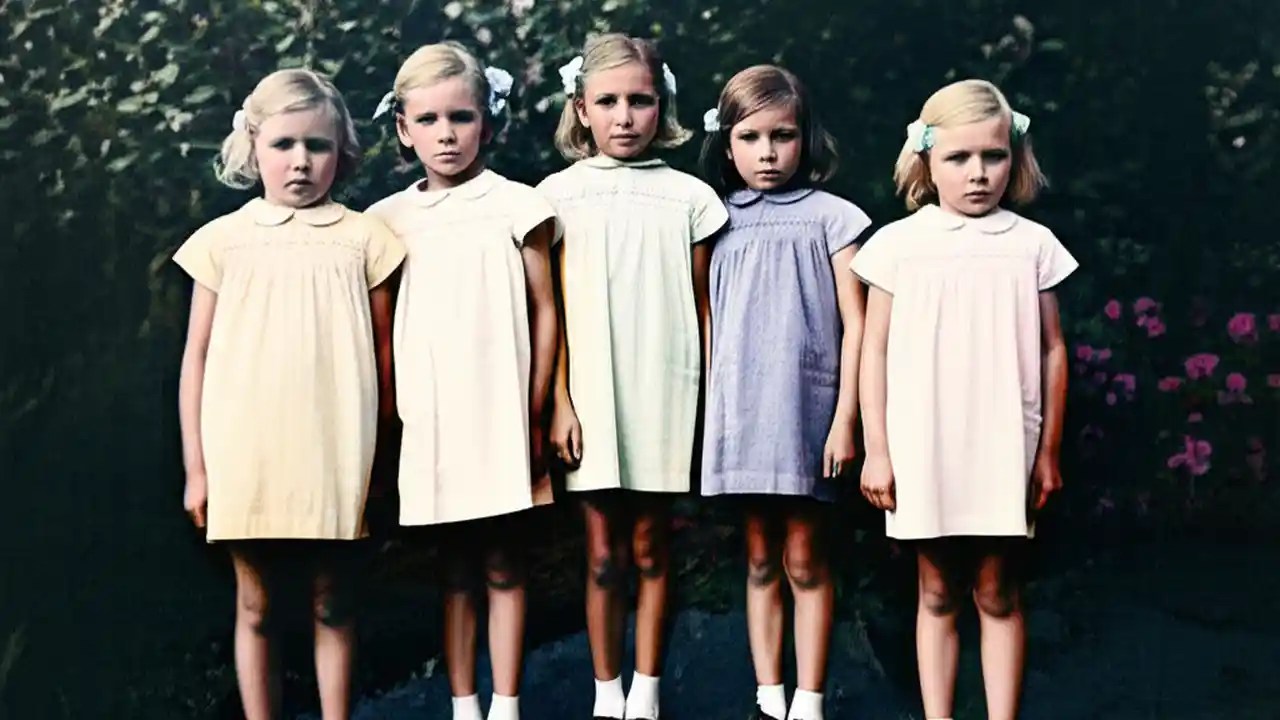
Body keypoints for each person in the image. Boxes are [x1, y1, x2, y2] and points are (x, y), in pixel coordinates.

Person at [175, 68, 404, 720]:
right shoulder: (223, 242)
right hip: (247, 451)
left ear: (341, 151)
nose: (300, 161)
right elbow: (196, 359)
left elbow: (385, 360)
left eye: (317, 145)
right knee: (256, 604)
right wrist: (197, 469)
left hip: (335, 447)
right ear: (253, 145)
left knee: (333, 601)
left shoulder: (365, 241)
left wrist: (381, 457)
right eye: (283, 144)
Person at [852, 79, 1077, 720]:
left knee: (998, 591)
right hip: (926, 445)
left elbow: (1053, 350)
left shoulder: (1031, 244)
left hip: (1005, 443)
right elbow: (874, 351)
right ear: (926, 159)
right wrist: (878, 450)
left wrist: (1048, 452)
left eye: (993, 156)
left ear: (1014, 157)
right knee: (936, 590)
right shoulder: (898, 245)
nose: (978, 173)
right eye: (958, 157)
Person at [536, 33, 728, 720]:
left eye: (640, 101)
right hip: (591, 394)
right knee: (600, 553)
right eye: (608, 102)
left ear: (661, 106)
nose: (624, 117)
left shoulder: (691, 198)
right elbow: (550, 310)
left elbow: (704, 308)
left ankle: (646, 691)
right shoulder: (556, 196)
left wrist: (709, 402)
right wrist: (559, 402)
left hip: (665, 388)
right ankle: (605, 691)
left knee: (651, 545)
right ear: (580, 108)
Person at [367, 42, 559, 720]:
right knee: (453, 572)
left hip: (501, 410)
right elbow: (382, 334)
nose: (445, 134)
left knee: (505, 564)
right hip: (433, 418)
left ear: (487, 122)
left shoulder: (518, 206)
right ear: (403, 128)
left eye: (461, 117)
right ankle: (463, 705)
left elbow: (546, 312)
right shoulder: (386, 222)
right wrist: (393, 418)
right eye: (428, 120)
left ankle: (506, 705)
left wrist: (535, 410)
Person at [697, 65, 870, 720]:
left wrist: (845, 419)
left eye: (782, 136)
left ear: (806, 138)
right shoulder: (715, 222)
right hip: (741, 414)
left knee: (805, 557)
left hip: (805, 414)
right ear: (727, 142)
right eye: (750, 138)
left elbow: (859, 327)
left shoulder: (835, 220)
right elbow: (706, 322)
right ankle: (769, 698)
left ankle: (809, 700)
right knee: (760, 557)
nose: (767, 153)